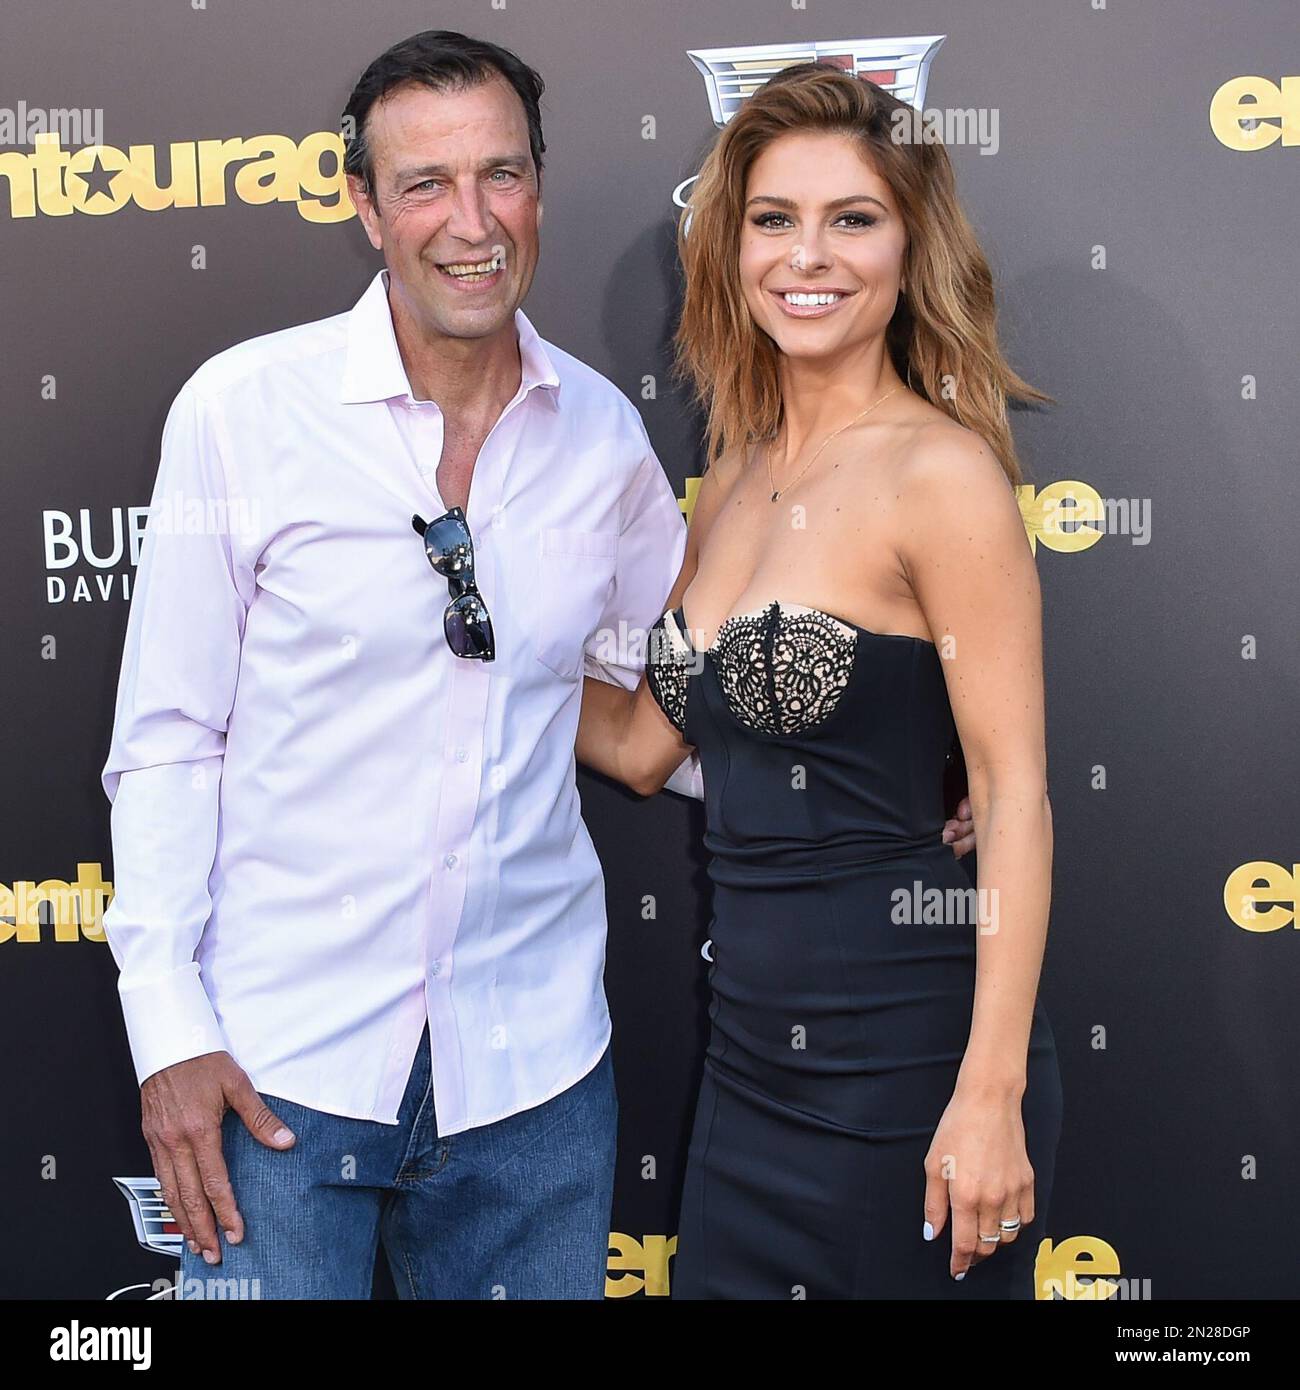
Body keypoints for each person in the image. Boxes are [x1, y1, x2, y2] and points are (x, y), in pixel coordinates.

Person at [101, 31, 976, 1300]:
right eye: (424, 184)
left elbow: (669, 712)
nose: (471, 222)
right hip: (272, 1073)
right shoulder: (240, 412)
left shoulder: (601, 437)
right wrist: (168, 1030)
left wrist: (875, 780)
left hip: (531, 1087)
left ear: (539, 188)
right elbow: (171, 738)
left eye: (500, 176)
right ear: (362, 206)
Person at [576, 62, 1063, 1299]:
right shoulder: (733, 472)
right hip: (749, 1077)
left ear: (910, 246)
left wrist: (989, 1094)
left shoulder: (938, 476)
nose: (810, 254)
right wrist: (461, 661)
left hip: (915, 1069)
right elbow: (642, 746)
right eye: (774, 218)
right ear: (729, 245)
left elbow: (1010, 796)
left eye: (853, 218)